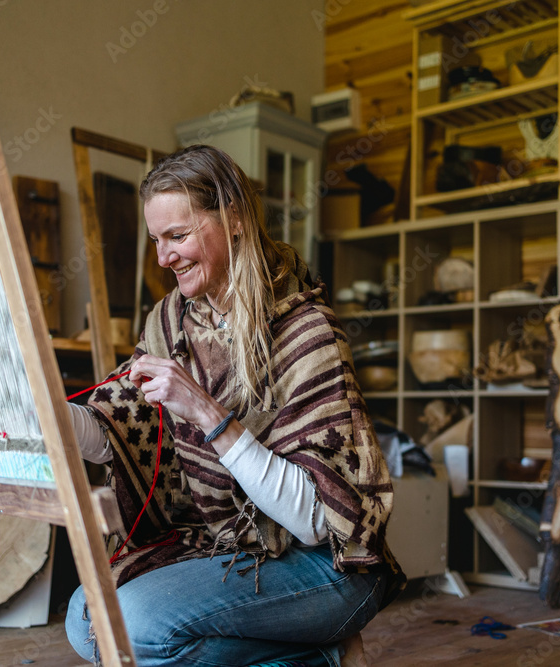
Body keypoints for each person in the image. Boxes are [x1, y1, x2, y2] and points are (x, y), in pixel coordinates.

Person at [63, 144, 403, 667]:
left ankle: (320, 646)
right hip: (229, 546)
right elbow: (117, 428)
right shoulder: (171, 323)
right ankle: (317, 657)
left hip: (326, 569)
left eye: (178, 236)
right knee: (85, 618)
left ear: (235, 220)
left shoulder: (308, 336)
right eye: (157, 240)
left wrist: (206, 411)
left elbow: (318, 521)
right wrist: (44, 410)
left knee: (129, 622)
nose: (163, 257)